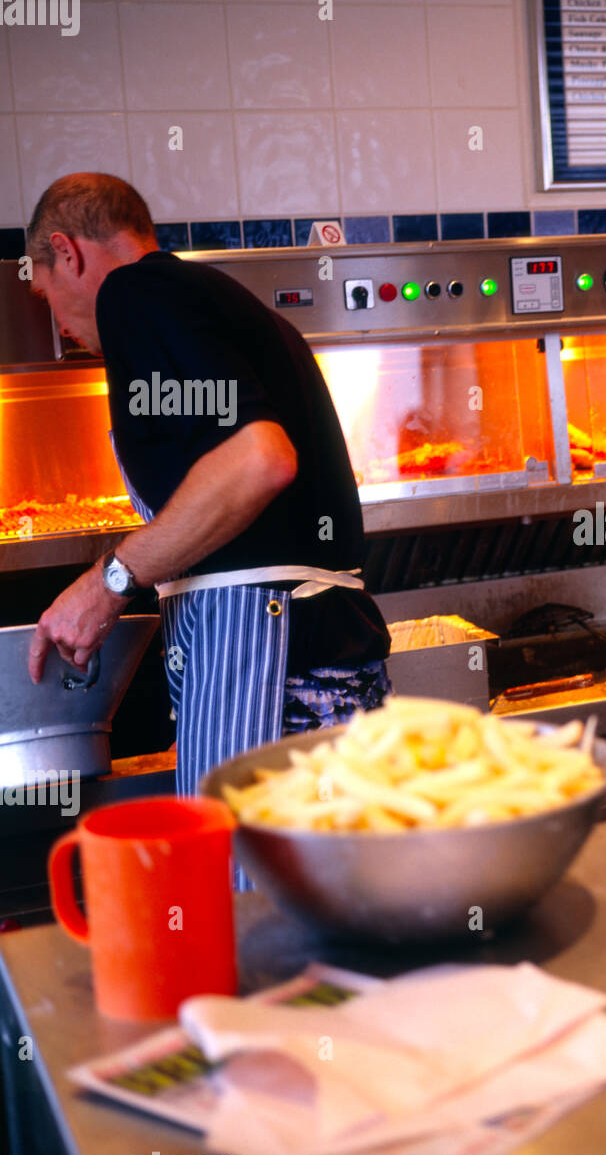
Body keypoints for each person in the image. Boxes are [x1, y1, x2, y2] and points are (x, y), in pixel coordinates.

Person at [26, 172, 391, 804]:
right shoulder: (226, 306)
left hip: (272, 662)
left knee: (249, 897)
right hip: (321, 665)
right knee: (331, 891)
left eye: (45, 295)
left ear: (67, 251)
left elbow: (259, 459)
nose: (59, 321)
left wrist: (108, 581)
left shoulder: (133, 291)